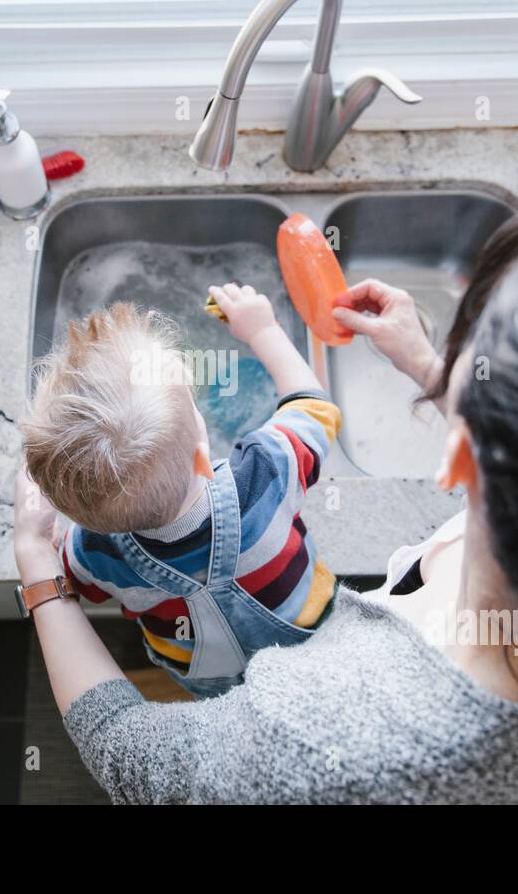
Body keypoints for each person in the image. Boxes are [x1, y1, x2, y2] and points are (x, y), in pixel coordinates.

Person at [14, 196, 518, 802]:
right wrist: (436, 370)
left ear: (462, 455)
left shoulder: (319, 742)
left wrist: (41, 579)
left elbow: (133, 756)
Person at [19, 286, 341, 696]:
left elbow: (66, 572)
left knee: (224, 703)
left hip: (207, 679)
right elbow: (314, 407)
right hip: (310, 642)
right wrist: (264, 330)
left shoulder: (91, 551)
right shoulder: (267, 473)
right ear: (204, 458)